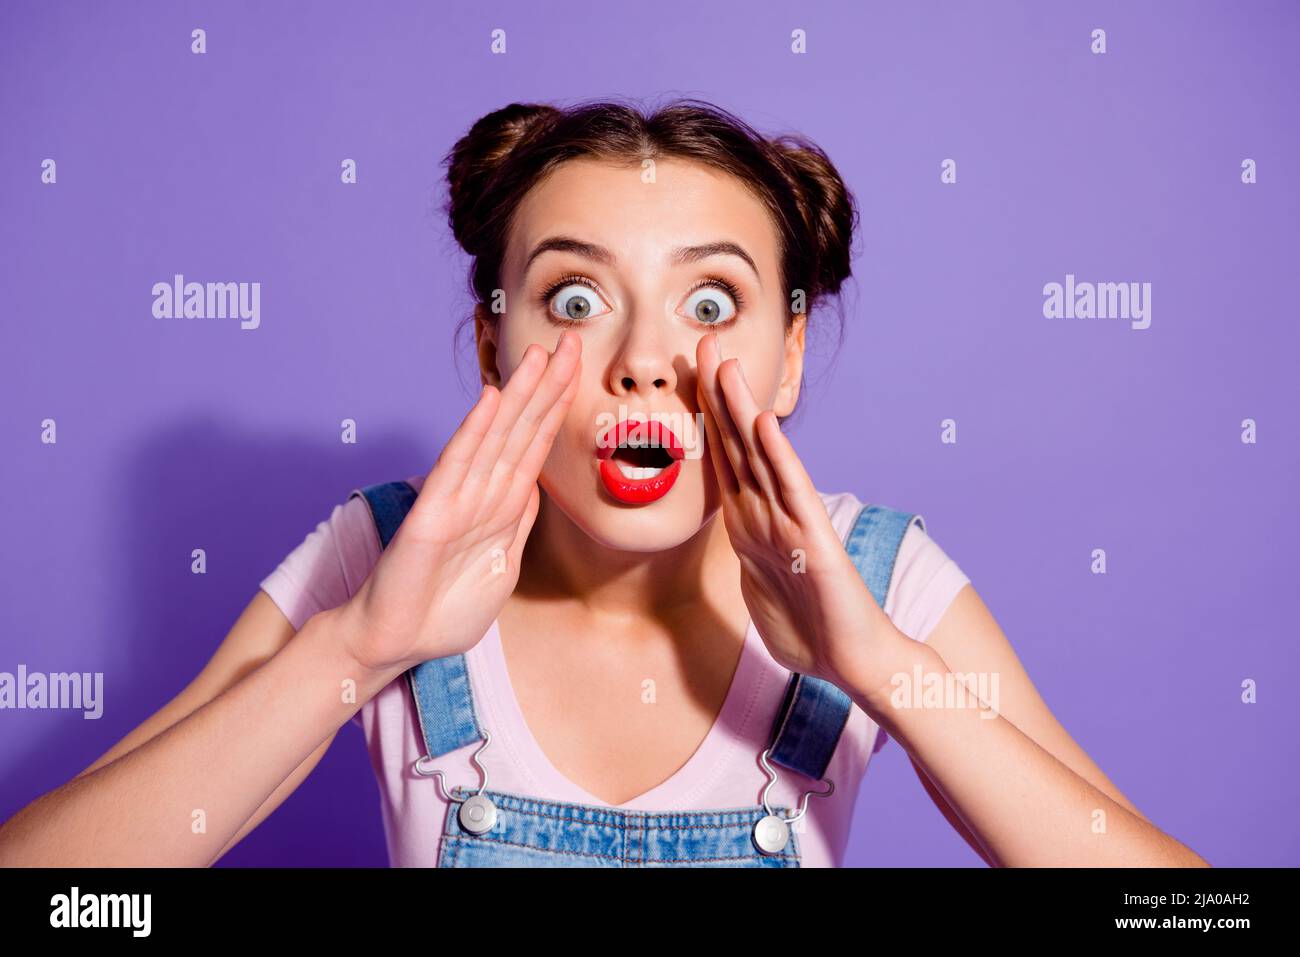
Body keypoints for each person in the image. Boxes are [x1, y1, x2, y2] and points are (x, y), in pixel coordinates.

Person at [0, 98, 1208, 868]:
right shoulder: (384, 556)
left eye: (711, 302)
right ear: (493, 346)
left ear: (789, 353)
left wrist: (885, 672)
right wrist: (358, 653)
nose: (640, 359)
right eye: (574, 300)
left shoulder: (882, 580)